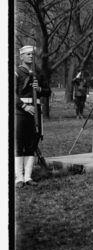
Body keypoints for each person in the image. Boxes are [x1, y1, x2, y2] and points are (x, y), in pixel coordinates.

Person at [14, 45, 40, 187]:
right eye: (28, 54)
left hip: (34, 111)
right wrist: (24, 106)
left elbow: (47, 91)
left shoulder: (36, 73)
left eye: (32, 54)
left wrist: (39, 88)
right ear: (22, 56)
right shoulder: (16, 72)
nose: (31, 56)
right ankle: (19, 178)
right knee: (19, 144)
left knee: (31, 144)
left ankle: (28, 177)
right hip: (20, 111)